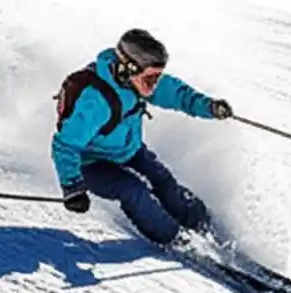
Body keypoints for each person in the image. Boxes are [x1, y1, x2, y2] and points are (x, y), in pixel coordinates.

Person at [51, 28, 233, 246]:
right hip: (89, 163)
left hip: (127, 149)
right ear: (128, 68)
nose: (154, 85)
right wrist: (72, 187)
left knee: (162, 179)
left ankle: (199, 221)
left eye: (157, 77)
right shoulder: (96, 101)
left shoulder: (137, 82)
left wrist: (210, 107)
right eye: (150, 79)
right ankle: (174, 238)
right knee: (133, 189)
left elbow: (177, 94)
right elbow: (65, 145)